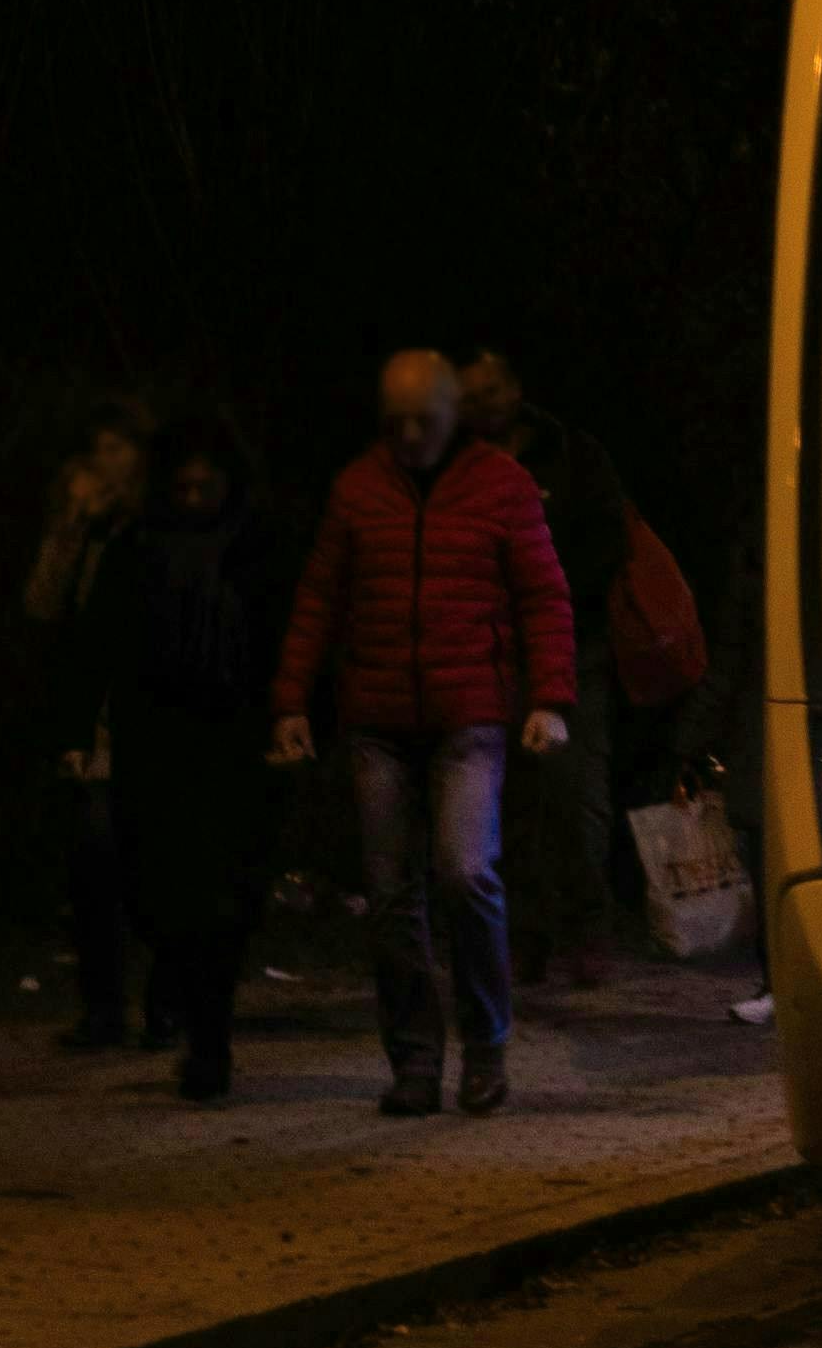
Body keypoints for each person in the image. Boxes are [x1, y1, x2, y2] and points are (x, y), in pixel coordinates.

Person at [270, 345, 574, 1115]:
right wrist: (290, 702)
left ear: (453, 415)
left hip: (468, 715)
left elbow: (543, 595)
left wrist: (551, 700)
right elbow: (319, 597)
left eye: (424, 421)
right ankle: (413, 1061)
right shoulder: (358, 488)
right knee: (390, 896)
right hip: (377, 719)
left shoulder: (501, 487)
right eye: (396, 423)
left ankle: (484, 1048)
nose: (410, 437)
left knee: (467, 873)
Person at [458, 345, 680, 985]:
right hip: (487, 652)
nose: (482, 406)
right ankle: (524, 935)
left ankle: (588, 928)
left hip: (570, 645)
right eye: (469, 396)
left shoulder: (570, 453)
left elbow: (607, 540)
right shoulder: (456, 464)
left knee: (573, 792)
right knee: (508, 801)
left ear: (514, 388)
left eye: (490, 390)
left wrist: (546, 595)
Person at [107, 414, 292, 1100]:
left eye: (203, 488)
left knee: (220, 898)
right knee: (154, 889)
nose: (191, 500)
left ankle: (210, 1042)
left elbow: (284, 632)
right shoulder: (139, 546)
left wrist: (290, 719)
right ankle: (183, 990)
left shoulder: (254, 546)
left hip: (230, 736)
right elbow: (106, 637)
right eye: (179, 488)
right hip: (155, 736)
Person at [20, 401, 152, 1051]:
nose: (103, 466)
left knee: (149, 870)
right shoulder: (89, 535)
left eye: (116, 451)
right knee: (94, 867)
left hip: (149, 724)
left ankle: (165, 1005)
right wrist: (67, 528)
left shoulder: (154, 533)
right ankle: (105, 1011)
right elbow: (43, 606)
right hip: (93, 730)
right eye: (96, 452)